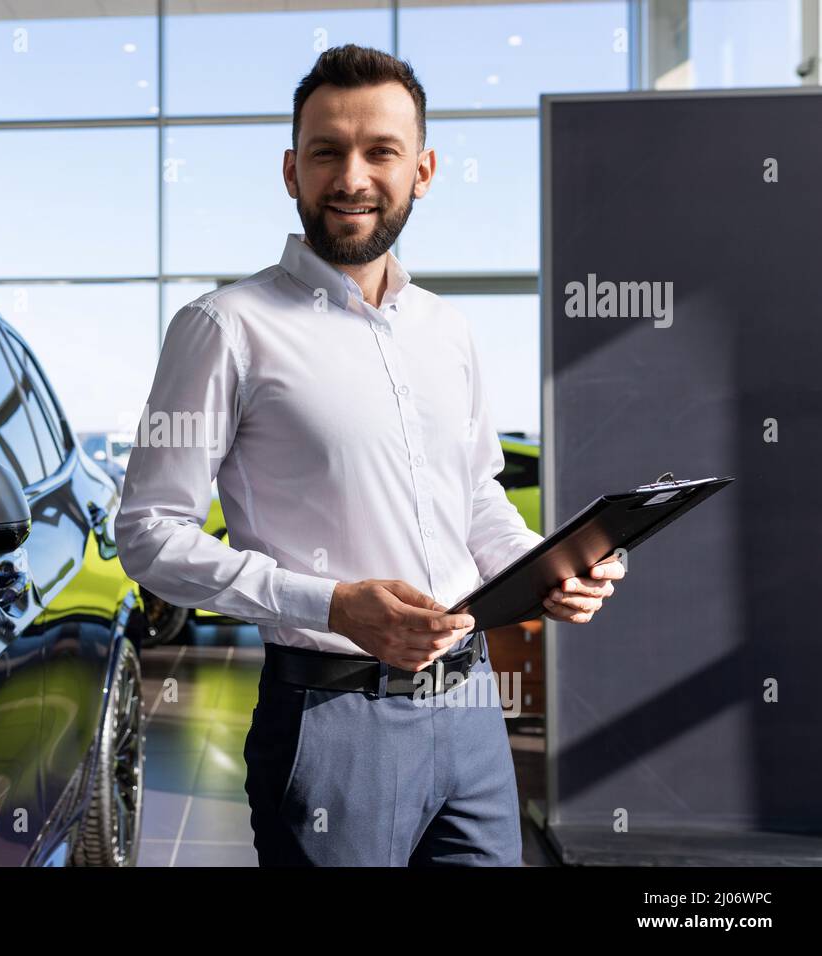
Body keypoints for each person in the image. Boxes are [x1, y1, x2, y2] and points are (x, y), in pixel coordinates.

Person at [114, 44, 624, 867]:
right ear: (291, 169)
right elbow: (147, 534)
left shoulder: (447, 330)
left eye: (380, 151)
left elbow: (478, 502)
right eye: (327, 151)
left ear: (422, 170)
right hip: (332, 726)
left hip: (471, 712)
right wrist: (331, 604)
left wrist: (549, 567)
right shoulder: (225, 328)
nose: (352, 176)